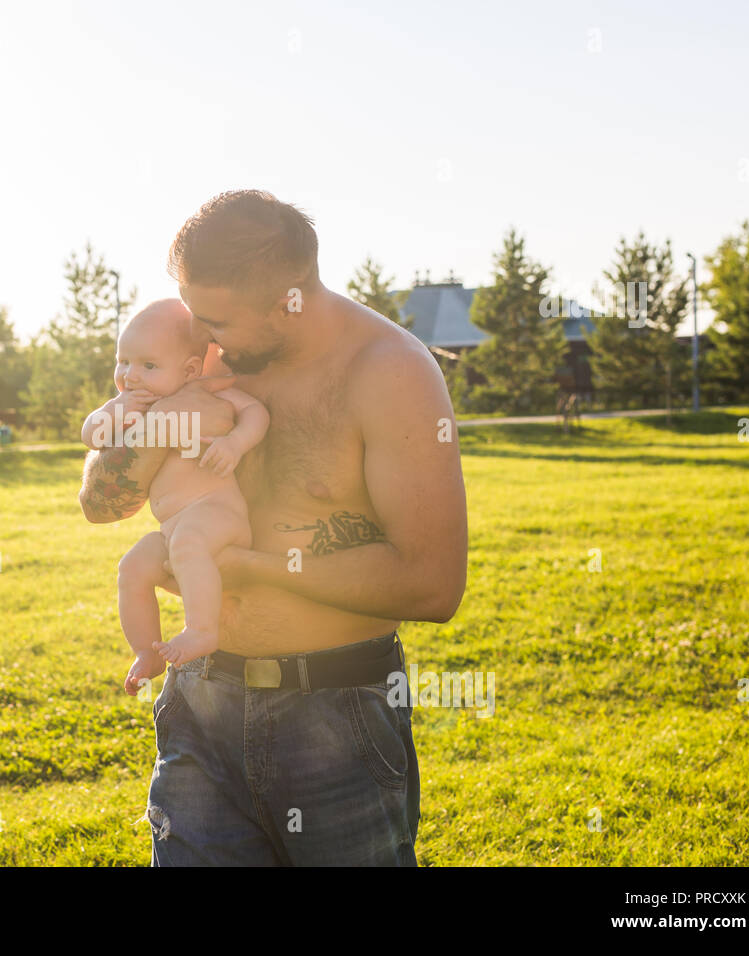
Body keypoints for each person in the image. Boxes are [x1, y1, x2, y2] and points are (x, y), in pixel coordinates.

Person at [77, 189, 468, 866]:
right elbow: (101, 503)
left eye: (216, 321)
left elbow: (432, 587)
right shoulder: (204, 361)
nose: (201, 337)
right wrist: (173, 416)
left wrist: (254, 567)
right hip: (198, 704)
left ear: (287, 297)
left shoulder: (389, 372)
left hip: (331, 717)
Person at [80, 299, 269, 696]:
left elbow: (256, 413)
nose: (131, 376)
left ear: (188, 370)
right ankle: (146, 653)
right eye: (123, 362)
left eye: (148, 366)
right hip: (173, 526)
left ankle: (201, 630)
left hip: (218, 513)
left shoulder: (209, 390)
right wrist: (116, 411)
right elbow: (91, 436)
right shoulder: (130, 405)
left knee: (188, 543)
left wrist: (234, 444)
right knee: (132, 568)